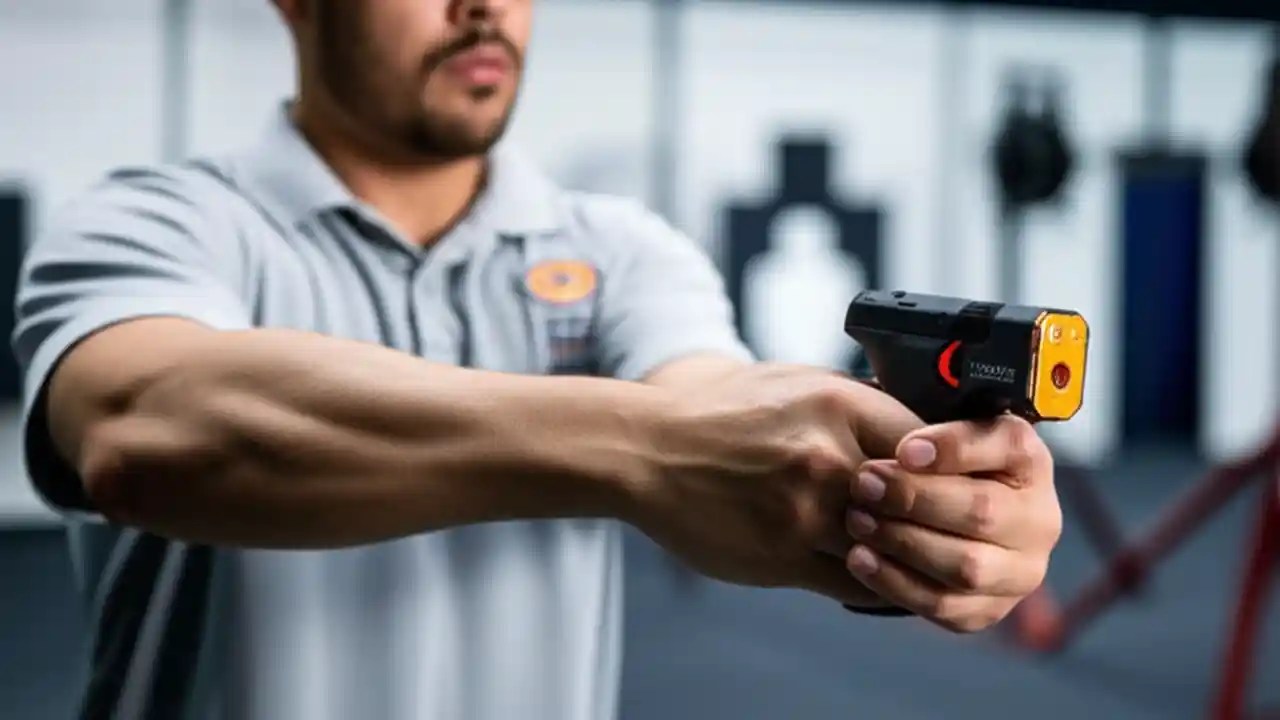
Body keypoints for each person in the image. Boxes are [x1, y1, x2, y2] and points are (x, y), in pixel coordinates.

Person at [11, 1, 1064, 718]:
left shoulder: (618, 249)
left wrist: (914, 510)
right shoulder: (151, 222)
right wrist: (648, 450)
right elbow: (148, 431)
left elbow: (714, 397)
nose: (484, 5)